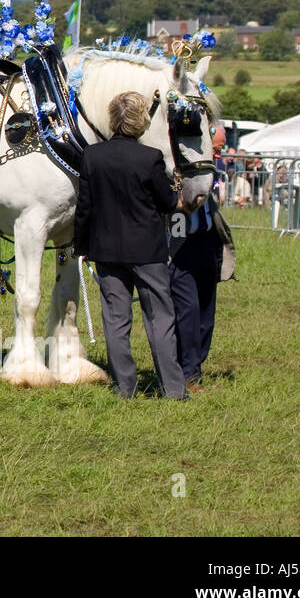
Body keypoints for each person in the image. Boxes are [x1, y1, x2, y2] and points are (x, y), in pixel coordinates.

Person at [75, 91, 188, 400]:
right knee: (160, 318)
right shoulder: (150, 158)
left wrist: (81, 245)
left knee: (115, 320)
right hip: (147, 251)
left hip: (106, 249)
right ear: (142, 121)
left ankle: (125, 387)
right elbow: (167, 203)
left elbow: (84, 207)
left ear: (113, 119)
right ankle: (174, 389)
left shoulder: (91, 156)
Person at [168, 123, 228, 393]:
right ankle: (187, 374)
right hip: (181, 247)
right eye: (216, 149)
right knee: (188, 311)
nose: (218, 155)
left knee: (206, 313)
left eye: (220, 150)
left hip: (207, 241)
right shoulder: (181, 170)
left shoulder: (212, 173)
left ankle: (196, 368)